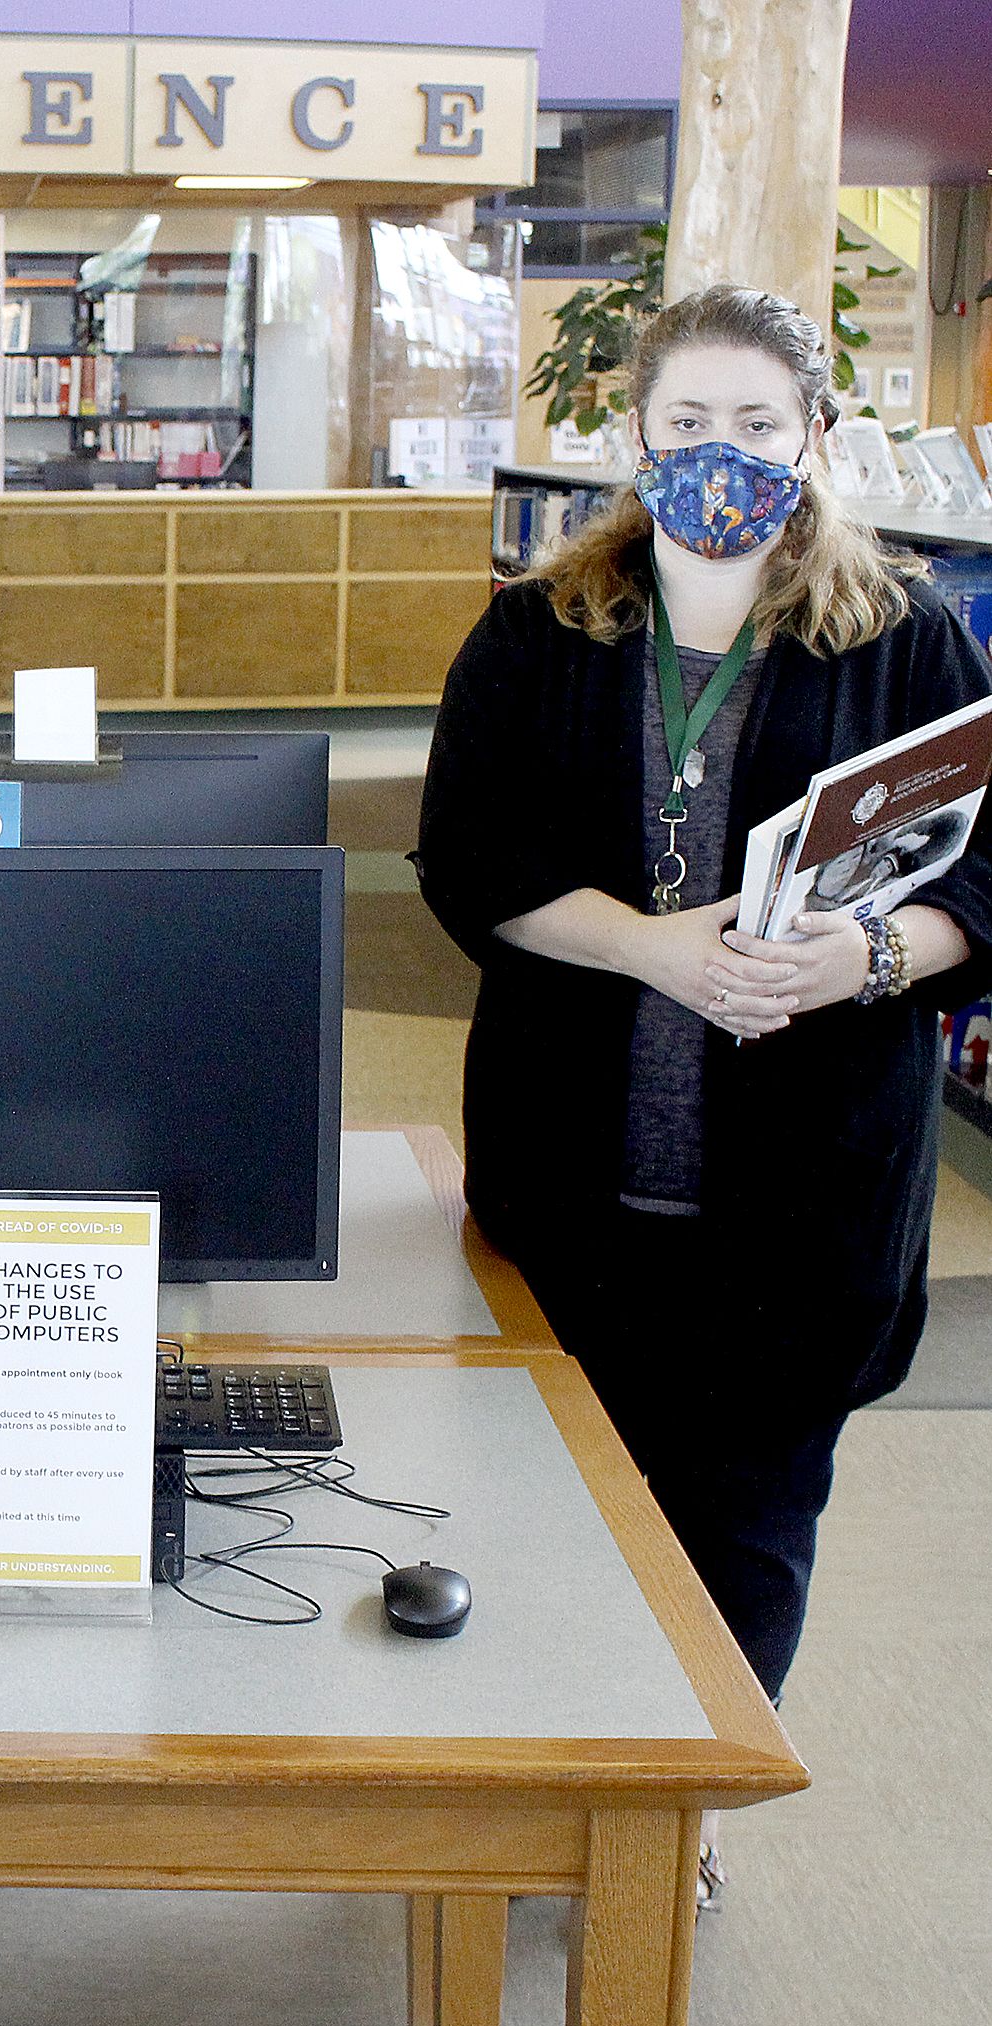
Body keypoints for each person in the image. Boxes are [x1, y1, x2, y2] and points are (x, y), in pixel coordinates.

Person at [416, 284, 992, 1903]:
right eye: (688, 426)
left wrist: (866, 956)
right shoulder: (538, 633)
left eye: (757, 425)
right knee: (562, 1491)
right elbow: (467, 860)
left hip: (802, 1196)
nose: (722, 457)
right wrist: (652, 951)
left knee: (748, 1514)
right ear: (634, 441)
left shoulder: (909, 641)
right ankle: (557, 1765)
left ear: (815, 437)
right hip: (572, 1168)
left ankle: (687, 1803)